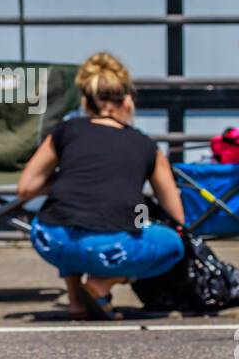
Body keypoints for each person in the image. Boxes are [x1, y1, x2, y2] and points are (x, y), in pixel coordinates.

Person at [18, 52, 185, 321]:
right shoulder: (145, 145)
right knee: (174, 244)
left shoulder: (66, 130)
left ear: (86, 102)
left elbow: (26, 188)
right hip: (111, 248)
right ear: (128, 101)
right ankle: (100, 285)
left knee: (67, 220)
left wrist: (64, 183)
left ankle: (76, 301)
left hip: (50, 239)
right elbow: (177, 215)